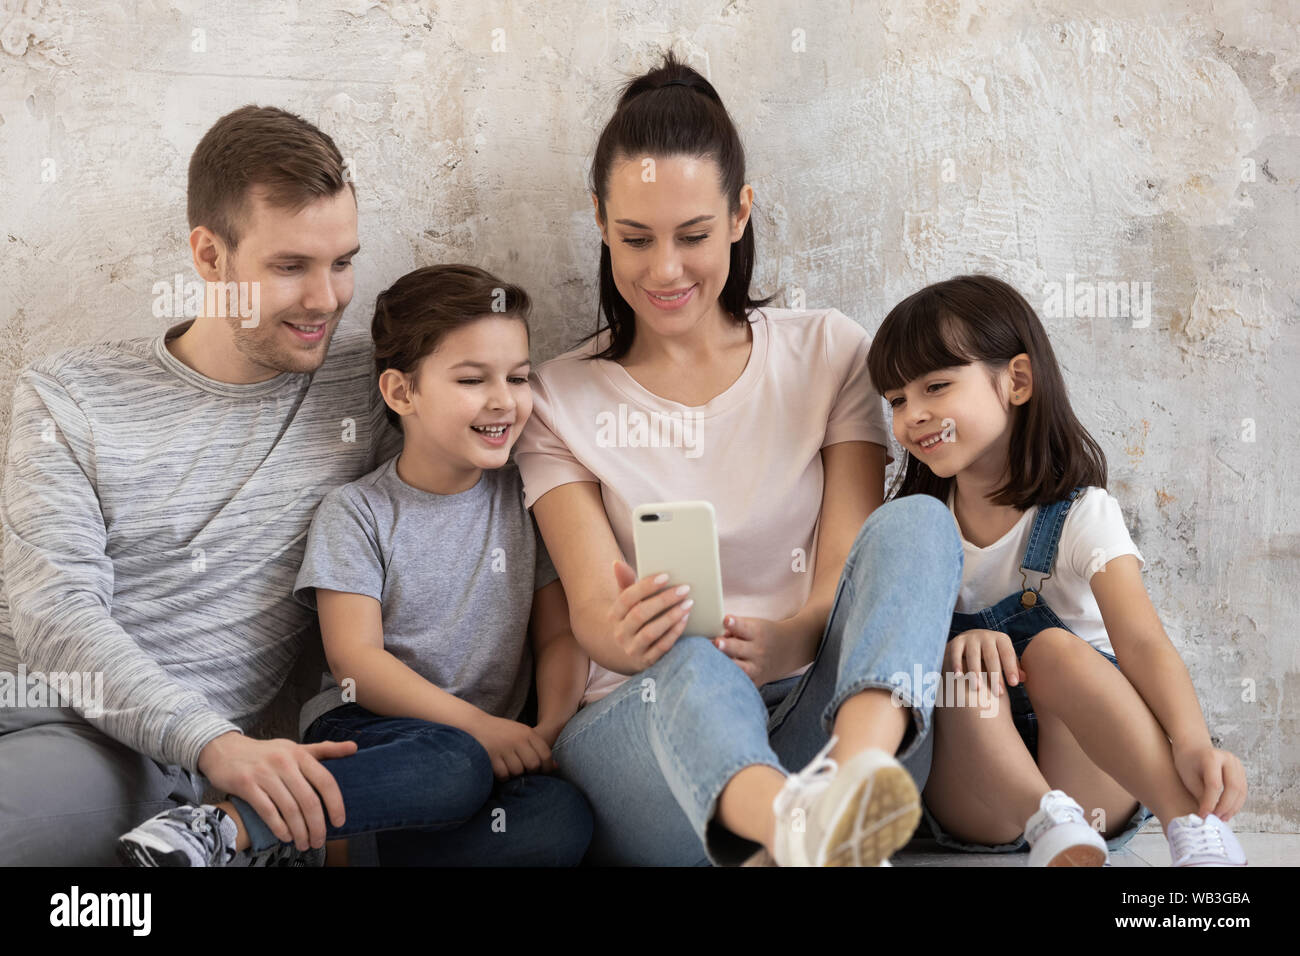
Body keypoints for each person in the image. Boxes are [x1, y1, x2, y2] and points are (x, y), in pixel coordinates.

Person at [513, 51, 964, 866]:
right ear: (598, 220)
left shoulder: (827, 352)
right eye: (634, 239)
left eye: (692, 235)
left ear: (740, 213)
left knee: (920, 522)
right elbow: (587, 609)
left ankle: (854, 789)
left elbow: (844, 570)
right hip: (654, 741)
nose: (665, 270)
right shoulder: (558, 396)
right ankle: (799, 830)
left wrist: (792, 638)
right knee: (692, 659)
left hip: (817, 720)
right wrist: (622, 633)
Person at [0, 105, 402, 865]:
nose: (326, 298)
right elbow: (55, 613)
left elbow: (501, 425)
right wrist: (216, 742)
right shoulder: (69, 391)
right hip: (42, 707)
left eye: (342, 261)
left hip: (139, 759)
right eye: (290, 267)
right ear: (210, 256)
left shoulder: (370, 388)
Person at [119, 265, 593, 866]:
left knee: (560, 817)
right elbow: (357, 662)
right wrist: (480, 728)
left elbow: (559, 632)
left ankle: (334, 845)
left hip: (479, 760)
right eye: (472, 379)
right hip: (366, 733)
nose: (504, 400)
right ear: (401, 393)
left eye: (519, 377)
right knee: (455, 764)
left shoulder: (529, 498)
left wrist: (548, 728)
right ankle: (226, 828)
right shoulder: (359, 511)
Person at [867, 273, 1248, 866]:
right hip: (981, 794)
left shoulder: (1080, 515)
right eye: (896, 400)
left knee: (1052, 651)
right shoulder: (915, 530)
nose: (912, 415)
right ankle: (1048, 823)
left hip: (1093, 778)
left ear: (1016, 380)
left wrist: (1193, 742)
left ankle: (1192, 825)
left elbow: (1143, 641)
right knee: (958, 664)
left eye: (935, 386)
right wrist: (954, 650)